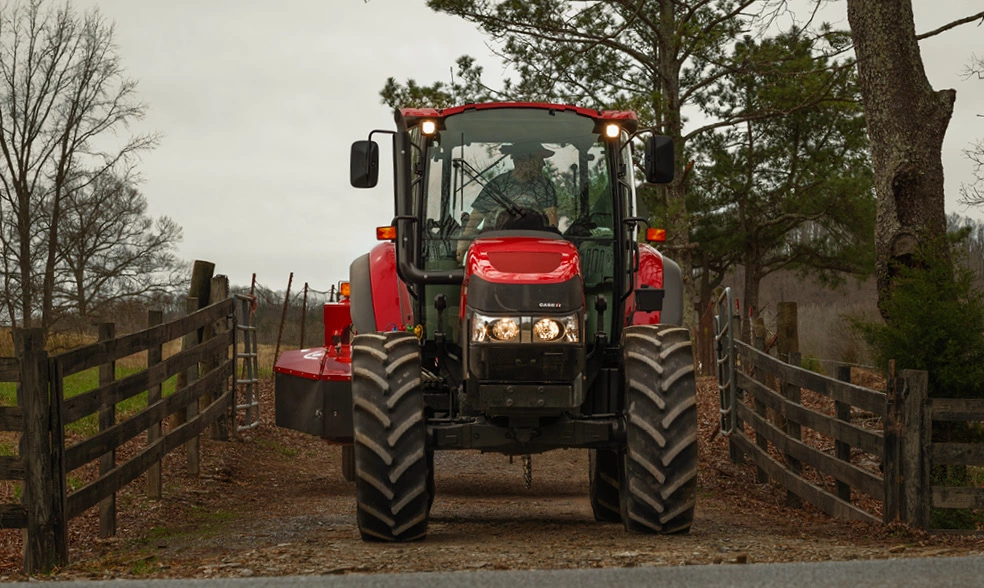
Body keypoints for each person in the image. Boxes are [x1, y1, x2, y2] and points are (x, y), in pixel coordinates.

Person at [455, 142, 559, 262]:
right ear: (524, 160)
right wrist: (460, 253)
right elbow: (474, 221)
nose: (543, 164)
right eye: (539, 159)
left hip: (535, 251)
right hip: (494, 249)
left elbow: (552, 223)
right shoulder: (498, 185)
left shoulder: (544, 186)